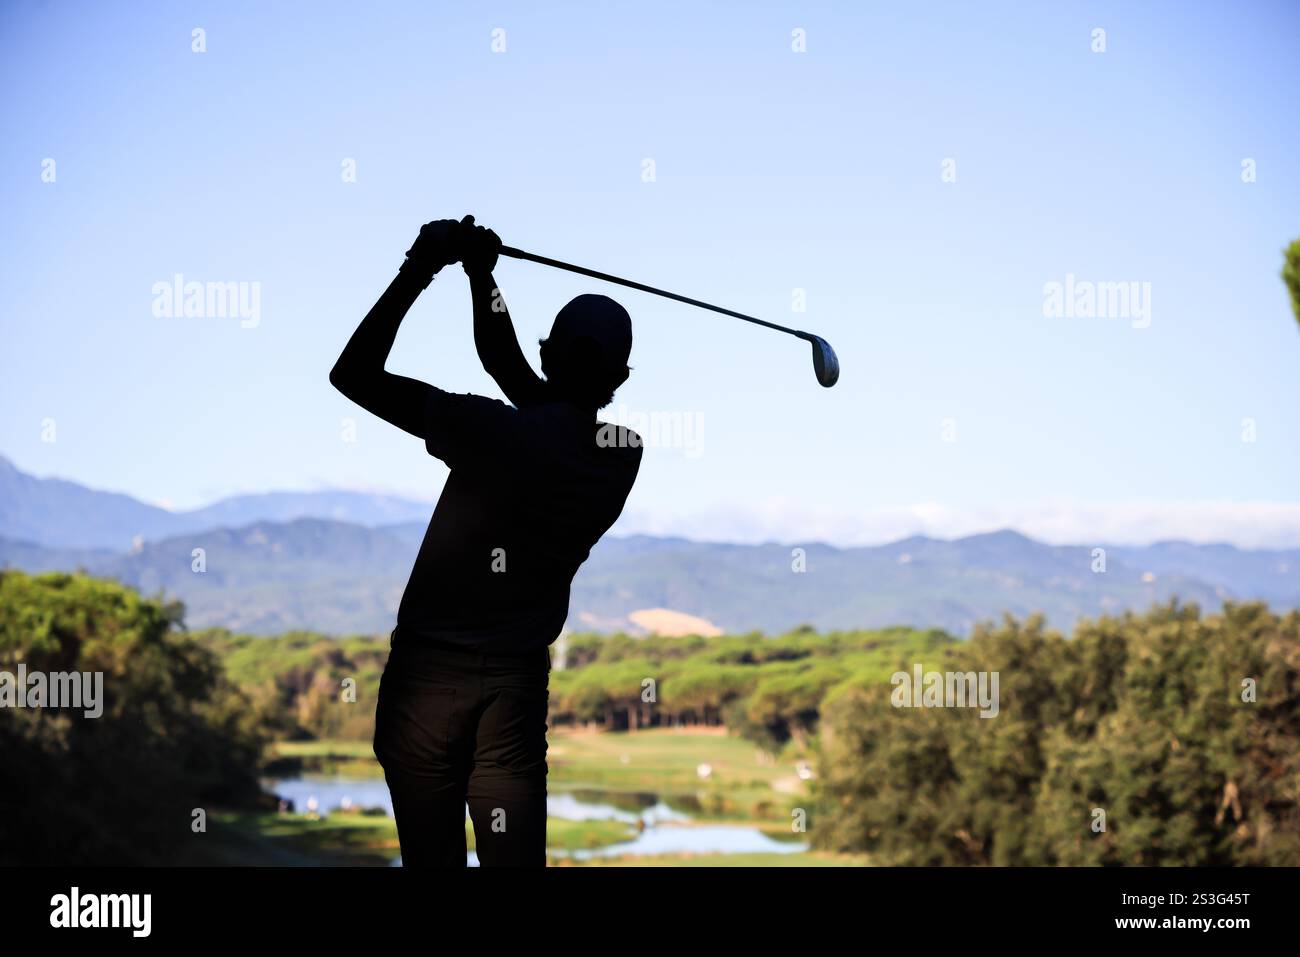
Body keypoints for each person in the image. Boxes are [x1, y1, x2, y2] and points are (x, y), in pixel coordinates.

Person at [329, 216, 642, 866]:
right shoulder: (620, 455)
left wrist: (425, 266)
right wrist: (481, 277)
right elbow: (518, 376)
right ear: (619, 379)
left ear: (550, 353)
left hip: (427, 683)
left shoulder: (484, 428)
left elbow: (353, 373)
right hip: (514, 689)